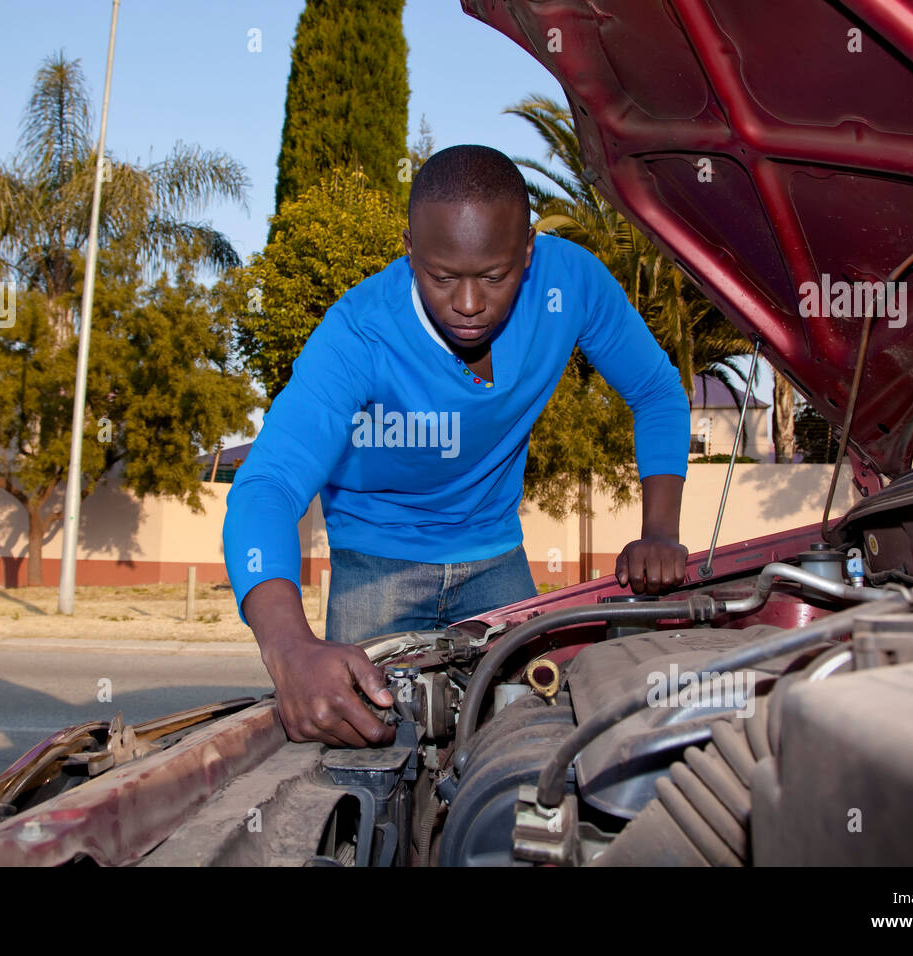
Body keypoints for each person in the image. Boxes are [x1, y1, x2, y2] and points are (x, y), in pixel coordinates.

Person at [223, 144, 690, 748]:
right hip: (375, 565)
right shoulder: (359, 332)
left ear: (527, 252)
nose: (468, 305)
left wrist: (660, 531)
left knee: (532, 743)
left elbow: (656, 391)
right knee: (368, 768)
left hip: (497, 557)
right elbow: (267, 486)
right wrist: (289, 649)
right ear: (410, 249)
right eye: (442, 276)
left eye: (494, 276)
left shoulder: (570, 284)